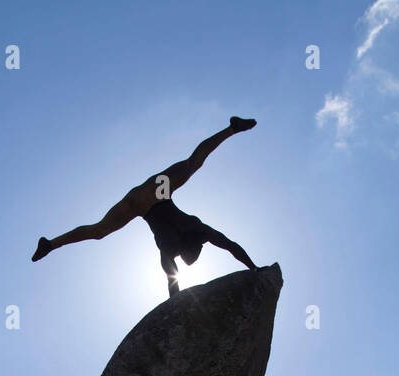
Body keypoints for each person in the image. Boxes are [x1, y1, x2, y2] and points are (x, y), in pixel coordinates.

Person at [32, 116, 259, 296]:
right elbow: (175, 273)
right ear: (189, 250)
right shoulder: (187, 237)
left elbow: (228, 246)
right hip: (149, 200)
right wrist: (255, 270)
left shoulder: (193, 233)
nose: (186, 261)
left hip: (153, 195)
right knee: (99, 231)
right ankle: (51, 244)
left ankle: (51, 244)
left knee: (194, 162)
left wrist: (253, 267)